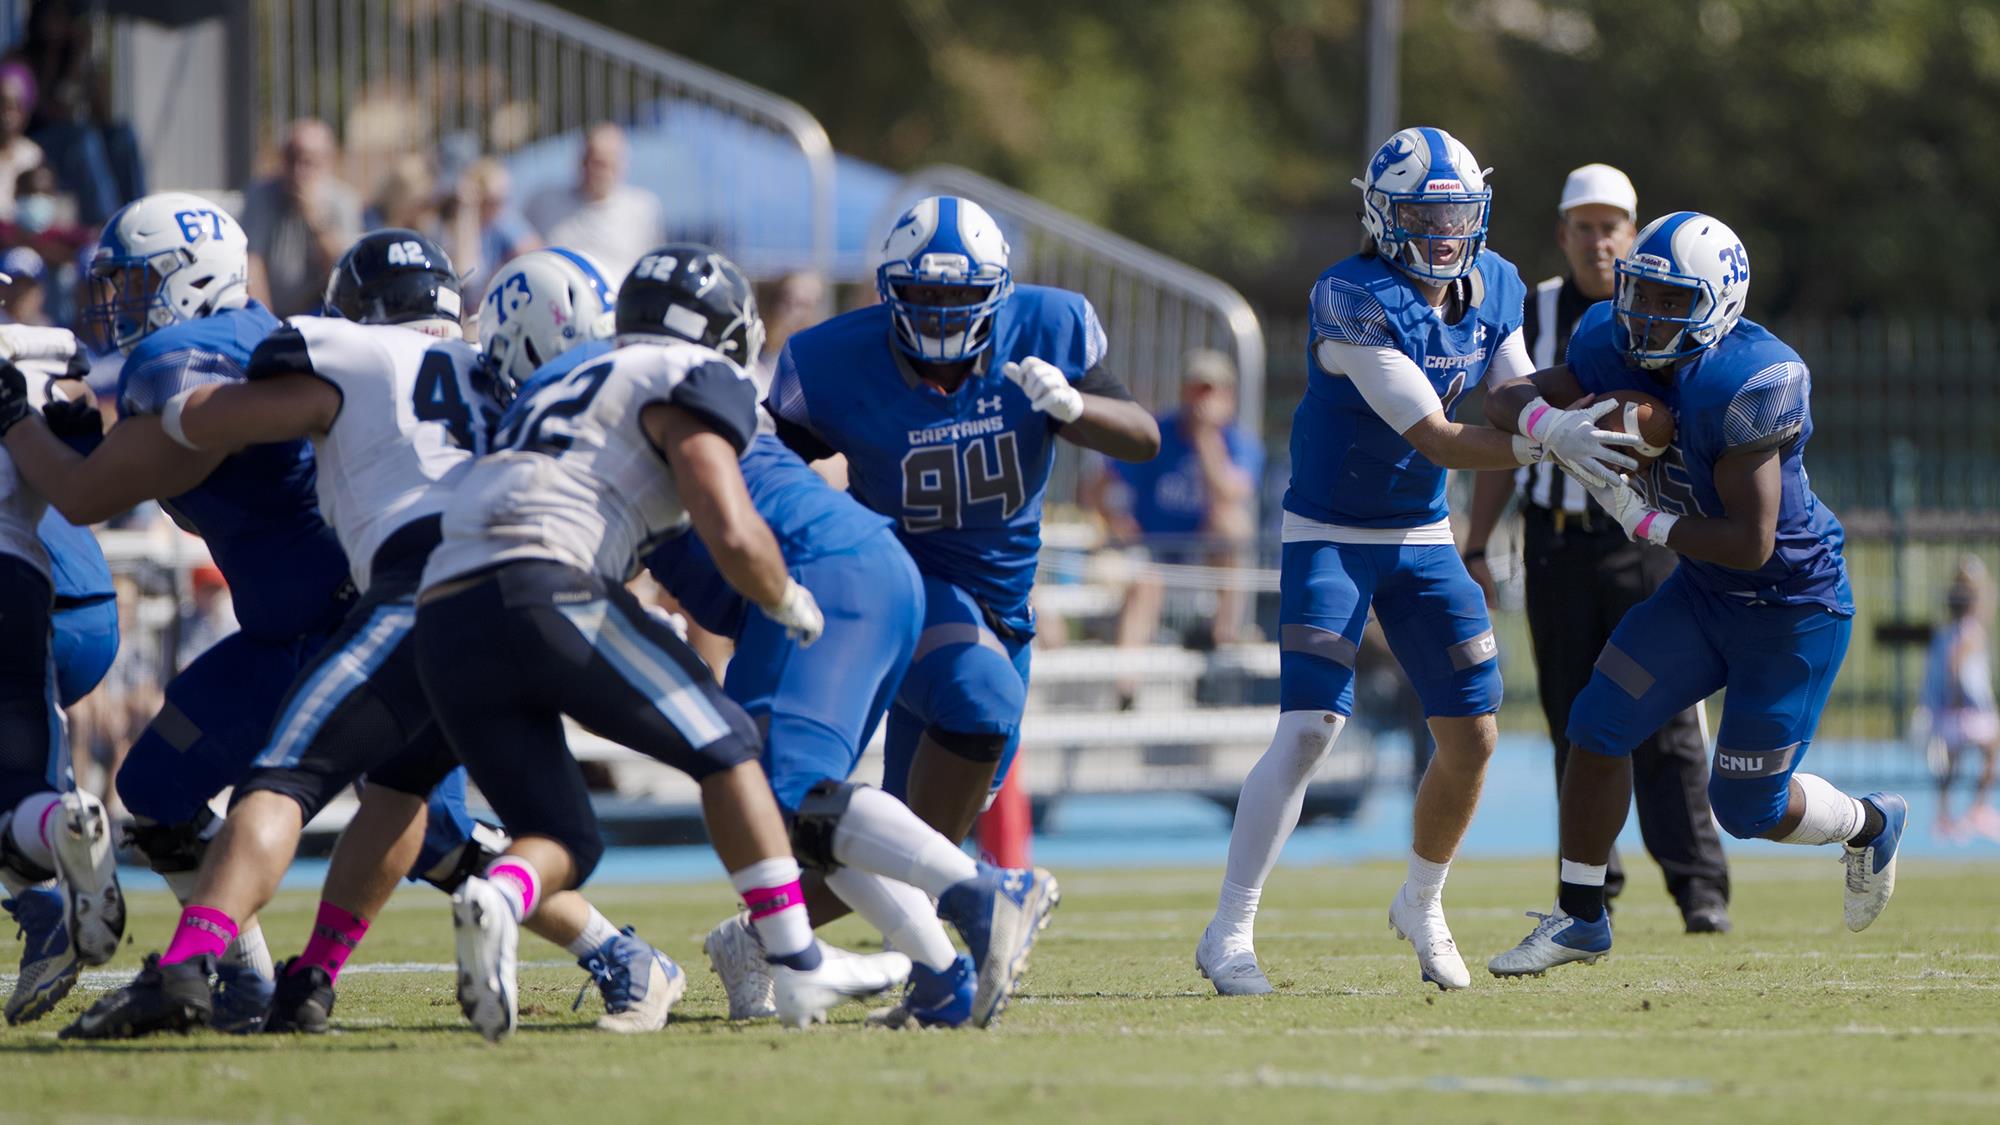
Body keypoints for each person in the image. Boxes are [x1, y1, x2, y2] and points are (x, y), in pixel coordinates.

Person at [485, 248, 1058, 1030]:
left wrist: (778, 595)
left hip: (816, 576)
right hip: (839, 573)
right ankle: (943, 969)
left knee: (783, 793)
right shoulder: (639, 389)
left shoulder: (617, 388)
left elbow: (709, 511)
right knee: (789, 803)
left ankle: (982, 894)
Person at [414, 243, 911, 1039]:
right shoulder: (684, 373)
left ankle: (500, 891)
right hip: (548, 583)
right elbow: (725, 516)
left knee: (563, 833)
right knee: (731, 745)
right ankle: (798, 960)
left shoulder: (534, 394)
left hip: (442, 607)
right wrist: (784, 596)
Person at [1194, 127, 1641, 996]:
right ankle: (1229, 929)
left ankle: (1422, 899)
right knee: (1310, 728)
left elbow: (1508, 391)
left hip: (1420, 536)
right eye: (1426, 213)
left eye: (1458, 212)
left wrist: (1553, 423)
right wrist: (1552, 449)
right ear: (1384, 214)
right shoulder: (1350, 296)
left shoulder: (1493, 281)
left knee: (1473, 735)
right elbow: (1436, 434)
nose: (1444, 231)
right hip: (1330, 529)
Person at [1485, 211, 1908, 977]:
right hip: (1706, 596)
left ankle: (1869, 821)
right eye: (1641, 292)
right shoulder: (1607, 343)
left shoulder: (1744, 381)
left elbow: (1754, 541)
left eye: (1672, 300)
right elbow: (1504, 397)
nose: (1647, 314)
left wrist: (1646, 518)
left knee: (1745, 808)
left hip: (1791, 608)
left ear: (1719, 305)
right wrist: (1554, 426)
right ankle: (1582, 917)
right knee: (1596, 723)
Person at [0, 192, 353, 1030]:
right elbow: (133, 471)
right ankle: (247, 982)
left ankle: (621, 956)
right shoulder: (229, 343)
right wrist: (72, 438)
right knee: (155, 790)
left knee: (442, 836)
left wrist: (14, 418)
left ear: (188, 280)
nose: (115, 300)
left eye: (133, 281)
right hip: (278, 632)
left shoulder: (192, 355)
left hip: (346, 628)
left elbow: (85, 496)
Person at [769, 195, 1160, 861]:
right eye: (920, 291)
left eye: (960, 294)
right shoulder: (834, 360)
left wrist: (1073, 407)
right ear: (887, 291)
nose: (940, 310)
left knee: (919, 832)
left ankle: (775, 929)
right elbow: (763, 466)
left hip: (1002, 604)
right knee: (980, 701)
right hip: (898, 585)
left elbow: (1143, 438)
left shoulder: (1048, 327)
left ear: (999, 292)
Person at [1463, 164, 1732, 933]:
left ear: (1634, 232)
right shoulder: (1537, 312)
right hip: (1556, 543)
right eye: (1584, 225)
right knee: (1573, 716)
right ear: (1563, 234)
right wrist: (1479, 543)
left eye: (1611, 224)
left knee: (1671, 715)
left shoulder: (1666, 304)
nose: (1599, 239)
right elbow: (1504, 433)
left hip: (1642, 543)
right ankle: (1591, 881)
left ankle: (1697, 883)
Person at [0, 329, 124, 1026]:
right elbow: (85, 446)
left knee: (18, 793)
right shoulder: (41, 353)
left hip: (48, 595)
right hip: (50, 586)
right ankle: (233, 965)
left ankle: (47, 896)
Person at [1086, 347, 1264, 703]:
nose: (1201, 399)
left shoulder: (1238, 442)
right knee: (1147, 583)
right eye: (1196, 388)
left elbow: (1230, 492)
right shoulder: (1157, 431)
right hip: (1152, 553)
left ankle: (1222, 636)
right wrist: (1118, 524)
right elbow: (1098, 483)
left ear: (1227, 397)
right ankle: (1126, 690)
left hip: (1203, 556)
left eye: (1210, 390)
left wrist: (1204, 438)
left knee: (1234, 524)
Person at [243, 120, 364, 318]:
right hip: (273, 314)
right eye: (292, 160)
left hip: (321, 315)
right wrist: (266, 323)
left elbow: (345, 274)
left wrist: (316, 220)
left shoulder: (343, 202)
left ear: (328, 163)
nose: (299, 171)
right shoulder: (261, 196)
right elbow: (252, 264)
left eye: (309, 162)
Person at [523, 124, 663, 285]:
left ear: (620, 165)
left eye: (601, 164)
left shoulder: (642, 208)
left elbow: (649, 268)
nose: (593, 170)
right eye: (587, 161)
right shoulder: (545, 202)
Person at [1921, 559, 1999, 841]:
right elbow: (1955, 666)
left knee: (1952, 764)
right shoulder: (1967, 632)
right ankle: (1976, 809)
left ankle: (1944, 816)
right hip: (1966, 709)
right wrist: (1955, 696)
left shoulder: (1948, 630)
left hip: (1951, 710)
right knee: (1988, 752)